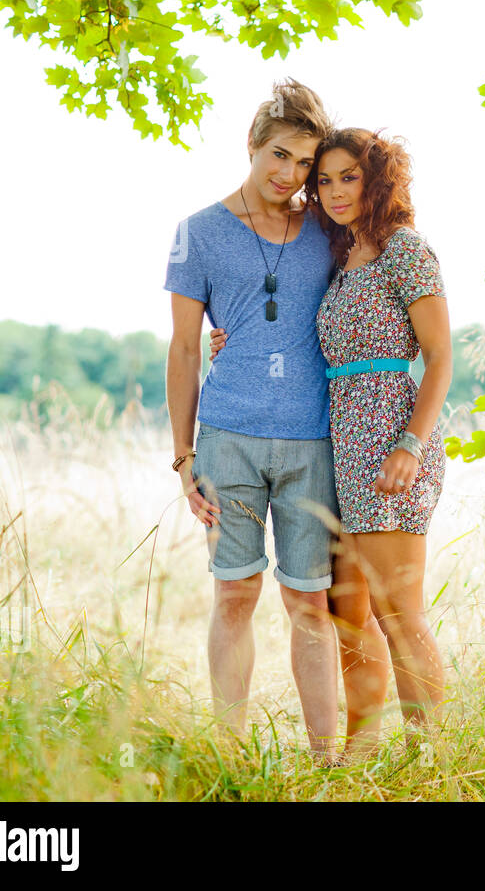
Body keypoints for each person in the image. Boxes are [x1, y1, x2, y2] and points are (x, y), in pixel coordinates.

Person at [209, 126, 452, 759]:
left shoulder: (405, 250)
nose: (335, 190)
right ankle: (360, 756)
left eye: (350, 176)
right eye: (326, 179)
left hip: (389, 446)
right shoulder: (341, 259)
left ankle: (432, 758)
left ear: (378, 180)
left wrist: (410, 445)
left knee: (400, 613)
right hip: (337, 448)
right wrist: (232, 341)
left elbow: (441, 356)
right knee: (349, 613)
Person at [164, 78, 342, 764]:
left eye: (304, 162)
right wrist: (183, 459)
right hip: (228, 438)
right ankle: (229, 755)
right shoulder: (197, 235)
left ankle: (326, 761)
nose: (290, 176)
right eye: (280, 156)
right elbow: (184, 348)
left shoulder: (328, 231)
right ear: (252, 145)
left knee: (309, 604)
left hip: (310, 441)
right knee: (235, 593)